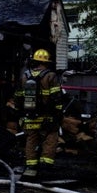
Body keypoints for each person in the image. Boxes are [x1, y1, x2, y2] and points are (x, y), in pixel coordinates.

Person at [19, 48, 64, 180]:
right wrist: (58, 113)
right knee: (50, 139)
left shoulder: (25, 76)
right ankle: (46, 165)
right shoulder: (51, 76)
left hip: (30, 116)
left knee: (31, 140)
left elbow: (18, 96)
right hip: (47, 116)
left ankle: (31, 167)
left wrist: (21, 112)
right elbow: (56, 97)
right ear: (46, 63)